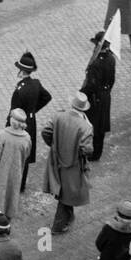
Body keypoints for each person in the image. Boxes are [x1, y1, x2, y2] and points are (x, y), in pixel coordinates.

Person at [42, 93, 94, 234]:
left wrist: (53, 146)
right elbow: (87, 149)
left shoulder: (59, 116)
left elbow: (46, 131)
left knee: (65, 192)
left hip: (56, 160)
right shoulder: (85, 127)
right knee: (66, 195)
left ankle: (68, 218)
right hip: (74, 165)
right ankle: (58, 226)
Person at [0, 109, 31, 240]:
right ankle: (5, 226)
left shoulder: (3, 135)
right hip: (16, 175)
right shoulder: (26, 138)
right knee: (9, 200)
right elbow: (26, 155)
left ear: (12, 120)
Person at [10, 52, 51, 191]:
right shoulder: (36, 84)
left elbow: (14, 112)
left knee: (16, 155)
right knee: (26, 155)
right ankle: (22, 185)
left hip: (19, 124)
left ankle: (15, 185)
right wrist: (32, 112)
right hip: (31, 123)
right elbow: (47, 97)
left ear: (22, 71)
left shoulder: (19, 91)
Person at [81, 33, 116, 161]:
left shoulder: (95, 64)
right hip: (106, 94)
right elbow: (112, 79)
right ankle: (98, 152)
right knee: (101, 126)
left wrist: (81, 94)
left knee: (92, 125)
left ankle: (92, 152)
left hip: (95, 97)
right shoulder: (111, 58)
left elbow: (91, 85)